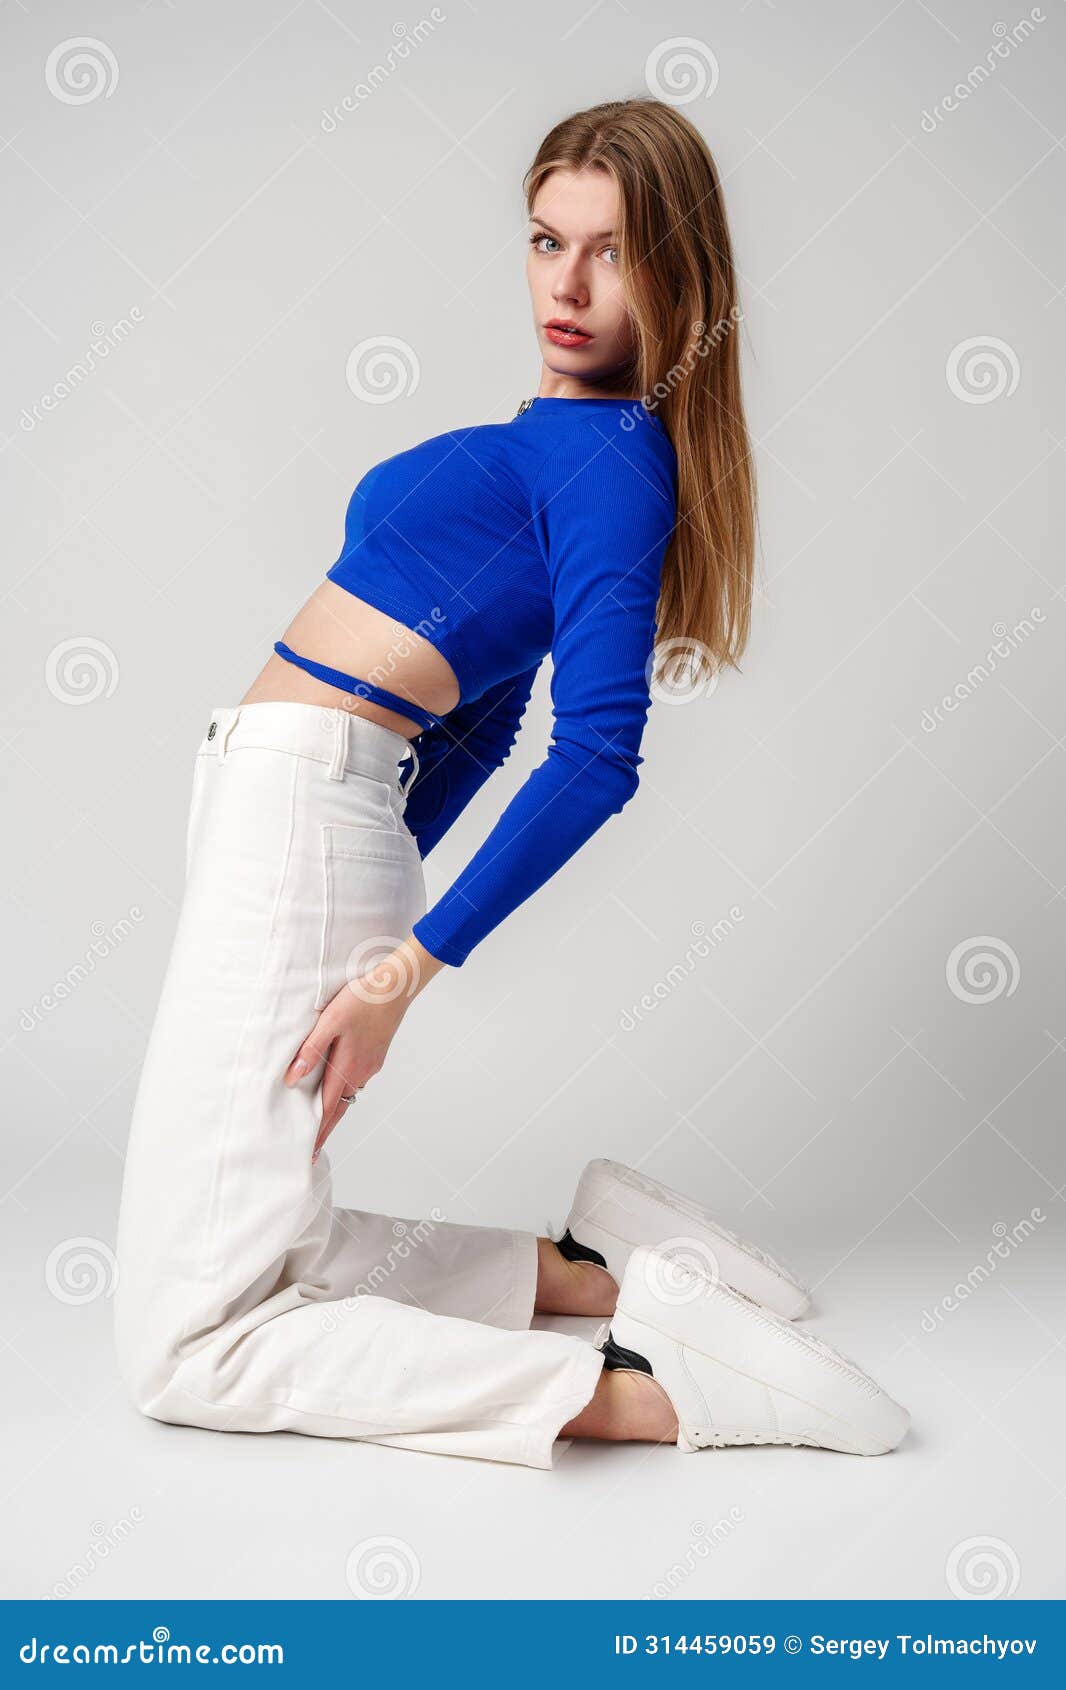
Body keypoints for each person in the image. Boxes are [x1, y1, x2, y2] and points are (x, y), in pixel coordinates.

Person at [113, 98, 908, 1468]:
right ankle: (600, 1267)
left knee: (188, 1346)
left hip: (303, 814)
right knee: (272, 1235)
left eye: (610, 249)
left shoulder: (611, 459)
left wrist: (397, 966)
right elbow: (482, 724)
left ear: (677, 271)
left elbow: (596, 755)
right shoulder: (556, 435)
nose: (568, 281)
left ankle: (665, 1391)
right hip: (290, 815)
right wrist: (357, 894)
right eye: (547, 239)